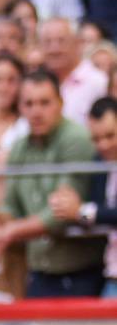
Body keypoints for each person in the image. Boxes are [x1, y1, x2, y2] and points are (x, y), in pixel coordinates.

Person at [0, 68, 106, 297]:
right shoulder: (19, 147)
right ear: (20, 107)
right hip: (39, 272)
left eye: (44, 103)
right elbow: (10, 205)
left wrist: (11, 230)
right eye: (29, 104)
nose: (36, 111)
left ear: (60, 102)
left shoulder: (76, 139)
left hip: (79, 273)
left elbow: (61, 212)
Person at [47, 97, 117, 296]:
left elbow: (98, 213)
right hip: (112, 274)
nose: (104, 145)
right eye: (96, 139)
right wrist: (70, 206)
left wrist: (80, 211)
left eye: (110, 135)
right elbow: (99, 213)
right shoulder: (100, 164)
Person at [39, 16, 108, 123]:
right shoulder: (36, 82)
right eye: (47, 42)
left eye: (61, 41)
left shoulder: (98, 81)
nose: (54, 49)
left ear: (77, 43)